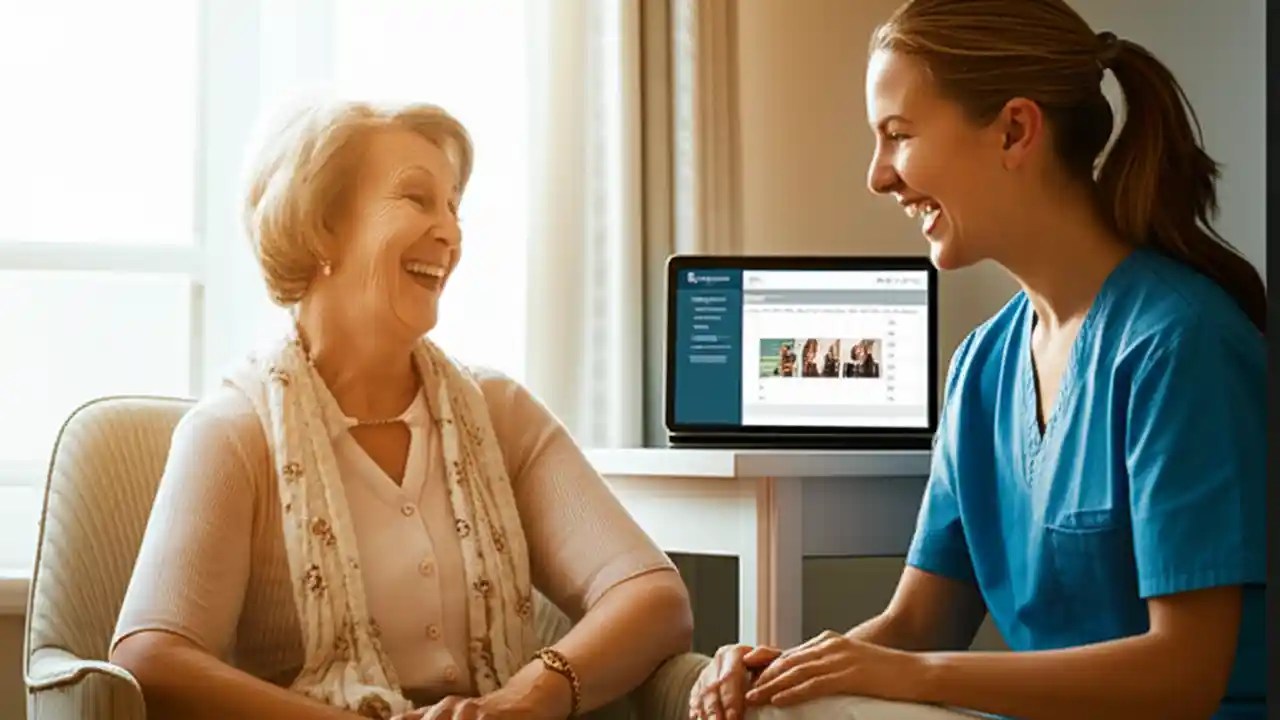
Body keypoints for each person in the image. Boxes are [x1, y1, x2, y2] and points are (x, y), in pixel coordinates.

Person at [690, 0, 1266, 718]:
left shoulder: (1179, 345)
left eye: (898, 135)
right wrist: (783, 671)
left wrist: (915, 677)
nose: (878, 176)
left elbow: (1183, 674)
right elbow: (916, 627)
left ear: (1016, 130)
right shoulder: (981, 368)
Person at [109, 99, 694, 720]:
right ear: (321, 227)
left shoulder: (500, 413)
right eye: (418, 199)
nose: (451, 232)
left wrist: (531, 697)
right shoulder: (233, 432)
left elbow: (653, 597)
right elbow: (152, 657)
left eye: (454, 206)